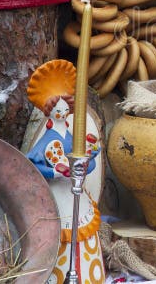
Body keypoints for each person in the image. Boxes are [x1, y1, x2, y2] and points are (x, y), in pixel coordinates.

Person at [25, 60, 105, 284]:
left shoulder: (72, 136)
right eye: (57, 109)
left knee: (84, 233)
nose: (62, 112)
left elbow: (85, 164)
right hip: (57, 199)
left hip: (76, 198)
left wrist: (87, 160)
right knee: (59, 236)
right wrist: (55, 173)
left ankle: (89, 276)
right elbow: (31, 166)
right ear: (49, 112)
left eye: (65, 108)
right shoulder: (48, 140)